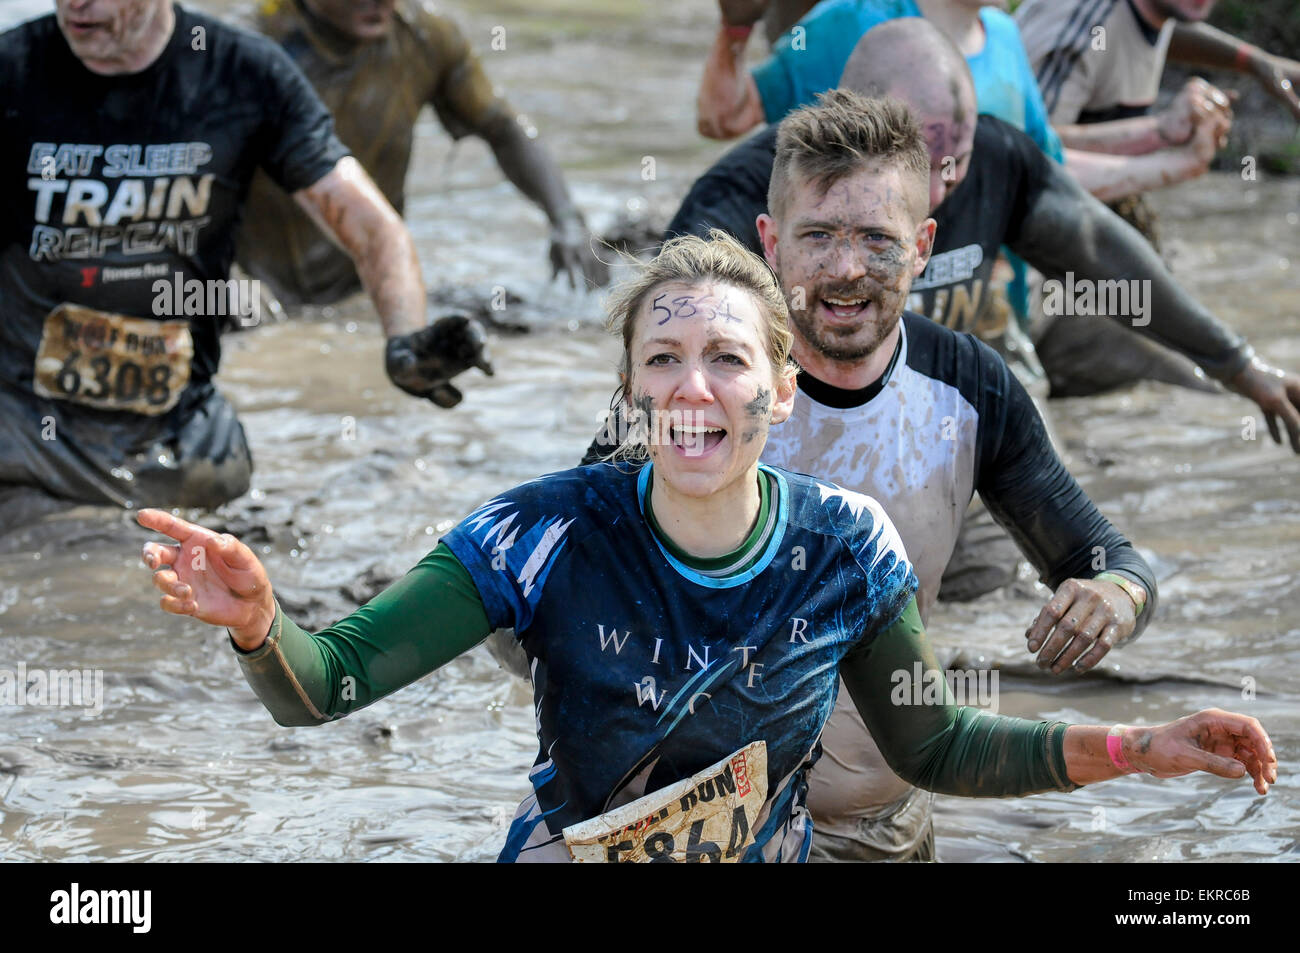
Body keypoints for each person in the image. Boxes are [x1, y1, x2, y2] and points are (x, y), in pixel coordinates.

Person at [137, 231, 1276, 863]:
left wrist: (1143, 745)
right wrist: (256, 623)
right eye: (664, 358)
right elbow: (325, 686)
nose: (694, 386)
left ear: (781, 391)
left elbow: (936, 746)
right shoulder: (538, 532)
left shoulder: (846, 546)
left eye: (727, 358)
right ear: (631, 389)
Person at [581, 86, 1161, 859]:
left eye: (877, 240)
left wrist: (1114, 597)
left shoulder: (970, 387)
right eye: (817, 236)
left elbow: (1109, 559)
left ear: (922, 245)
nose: (847, 270)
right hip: (692, 831)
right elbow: (556, 573)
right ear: (770, 241)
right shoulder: (696, 386)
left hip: (877, 828)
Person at [666, 20, 1300, 426]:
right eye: (918, 161)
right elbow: (663, 350)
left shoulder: (998, 158)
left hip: (953, 421)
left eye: (954, 163)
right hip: (802, 440)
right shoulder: (750, 189)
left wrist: (1240, 365)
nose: (937, 191)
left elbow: (1101, 254)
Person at [1, 0, 490, 512]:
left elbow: (373, 227)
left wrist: (405, 342)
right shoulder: (12, 69)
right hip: (22, 434)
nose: (77, 4)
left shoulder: (243, 71)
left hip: (181, 440)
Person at [233, 0, 608, 307]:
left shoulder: (423, 35)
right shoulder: (243, 48)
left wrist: (565, 218)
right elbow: (191, 177)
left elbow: (504, 128)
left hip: (366, 284)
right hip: (256, 285)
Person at [1018, 0, 1300, 248]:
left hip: (1089, 206)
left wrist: (1254, 62)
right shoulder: (1082, 29)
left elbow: (1161, 31)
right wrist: (1160, 132)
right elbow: (1022, 154)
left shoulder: (1150, 11)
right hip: (1029, 221)